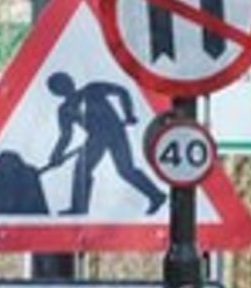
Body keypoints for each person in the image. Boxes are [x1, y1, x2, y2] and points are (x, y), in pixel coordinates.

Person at [46, 72, 166, 215]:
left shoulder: (92, 89)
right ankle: (79, 208)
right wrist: (56, 154)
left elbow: (121, 91)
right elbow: (66, 135)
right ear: (56, 93)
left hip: (115, 133)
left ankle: (156, 195)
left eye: (65, 82)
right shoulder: (65, 110)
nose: (64, 87)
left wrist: (128, 114)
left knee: (125, 170)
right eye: (59, 86)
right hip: (96, 139)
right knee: (81, 169)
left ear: (71, 80)